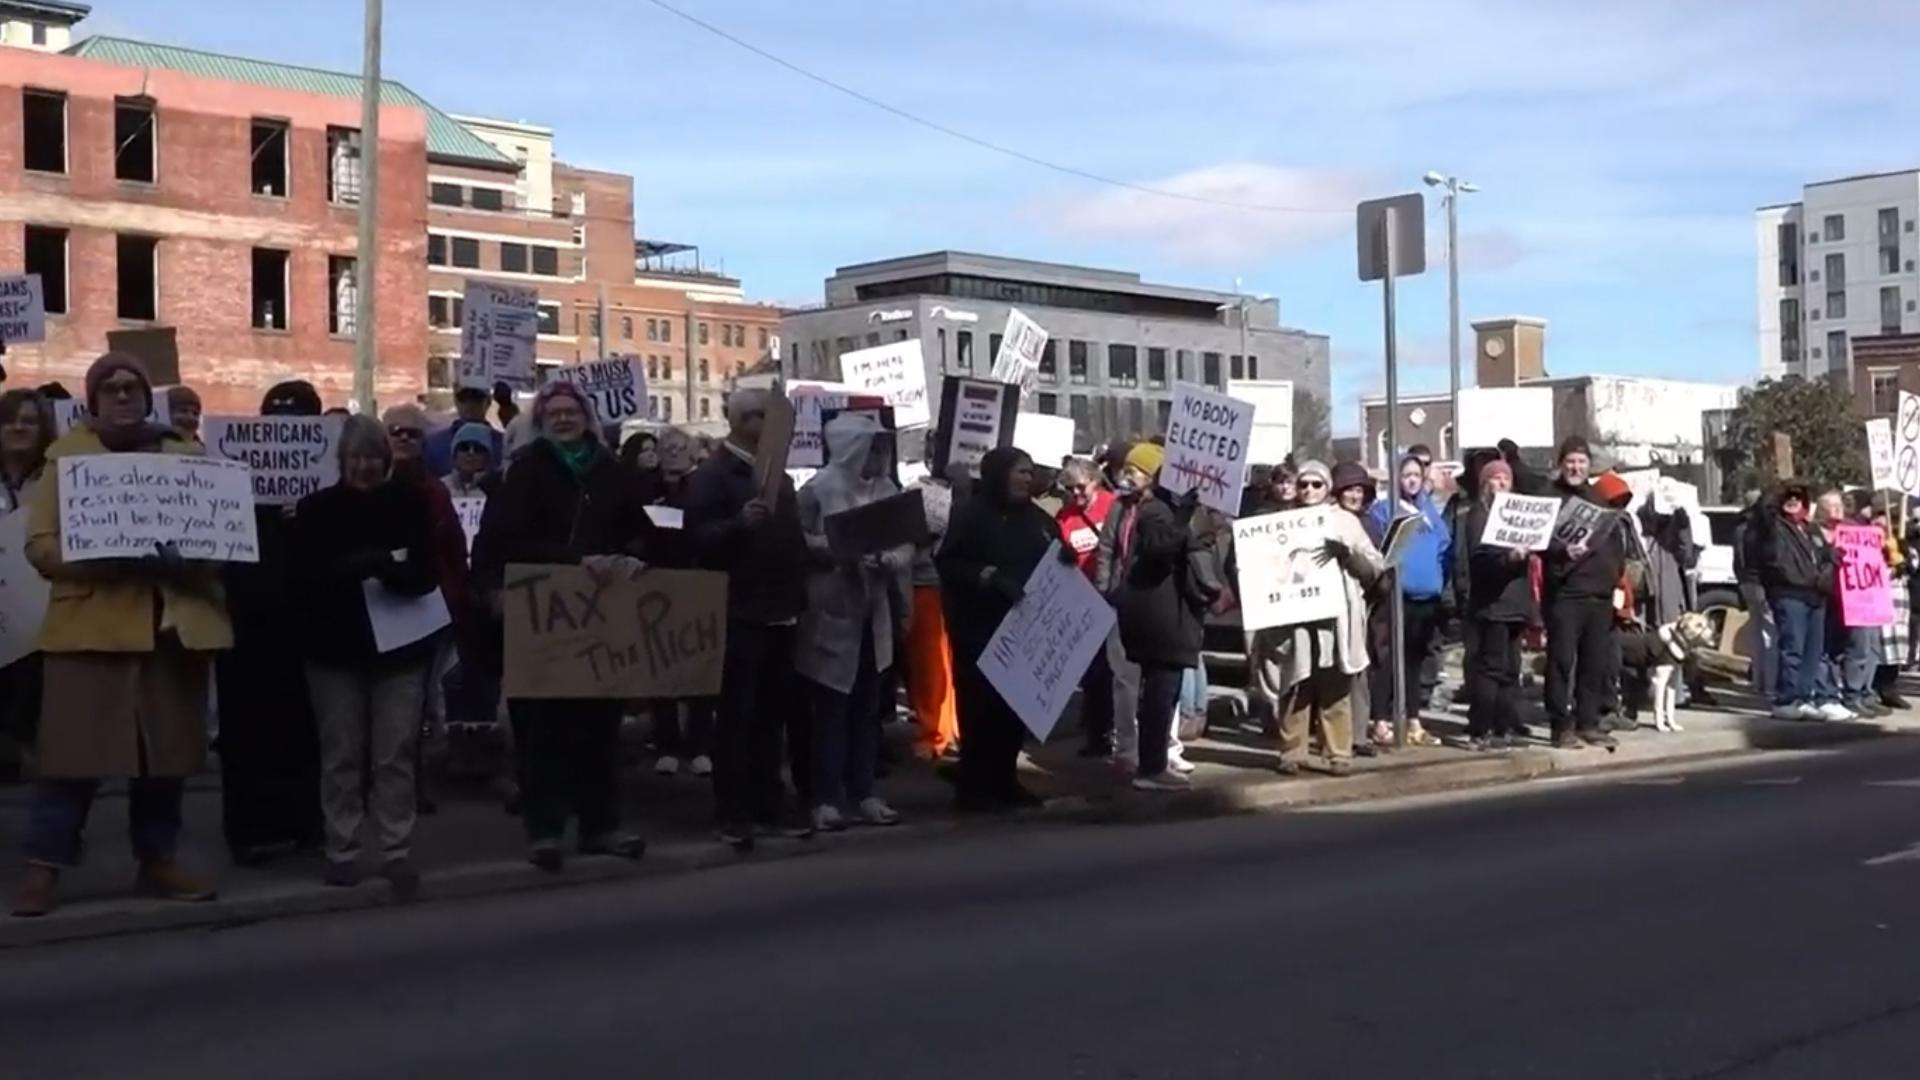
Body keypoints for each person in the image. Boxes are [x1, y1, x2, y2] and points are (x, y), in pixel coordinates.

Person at [13, 353, 224, 918]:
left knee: (165, 763)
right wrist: (100, 559)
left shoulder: (187, 460)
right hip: (90, 632)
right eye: (112, 388)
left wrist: (191, 563)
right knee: (70, 761)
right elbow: (41, 547)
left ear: (147, 396)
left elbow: (220, 542)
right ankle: (43, 867)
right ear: (94, 399)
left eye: (133, 386)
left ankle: (157, 861)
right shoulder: (66, 462)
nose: (124, 395)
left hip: (166, 631)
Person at [485, 382, 655, 869]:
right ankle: (546, 830)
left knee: (600, 727)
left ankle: (602, 826)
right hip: (545, 613)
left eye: (571, 412)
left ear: (586, 418)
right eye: (554, 413)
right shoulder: (526, 470)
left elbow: (637, 527)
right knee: (543, 729)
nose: (563, 420)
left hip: (600, 614)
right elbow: (508, 539)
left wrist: (632, 557)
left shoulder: (609, 470)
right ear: (542, 421)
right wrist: (579, 560)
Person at [290, 416, 441, 896]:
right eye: (355, 457)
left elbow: (426, 574)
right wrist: (351, 570)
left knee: (395, 752)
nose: (364, 466)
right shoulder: (316, 510)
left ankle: (396, 848)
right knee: (342, 754)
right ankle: (343, 846)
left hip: (399, 649)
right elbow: (300, 583)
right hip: (334, 651)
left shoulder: (410, 504)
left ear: (386, 460)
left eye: (373, 457)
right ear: (342, 461)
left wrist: (389, 571)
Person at [684, 388, 811, 848]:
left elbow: (793, 541)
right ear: (742, 421)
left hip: (780, 610)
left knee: (770, 717)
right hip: (738, 611)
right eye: (764, 417)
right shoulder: (714, 475)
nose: (773, 427)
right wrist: (738, 525)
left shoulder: (780, 478)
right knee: (737, 717)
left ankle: (768, 804)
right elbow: (696, 539)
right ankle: (732, 811)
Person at [216, 380, 326, 865]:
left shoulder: (327, 491)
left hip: (310, 624)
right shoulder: (232, 486)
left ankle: (306, 824)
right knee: (246, 732)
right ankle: (250, 830)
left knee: (306, 730)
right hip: (246, 626)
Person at [794, 414, 911, 830]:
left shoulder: (887, 490)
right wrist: (837, 549)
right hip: (831, 609)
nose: (879, 455)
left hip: (872, 613)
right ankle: (825, 798)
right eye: (872, 446)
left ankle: (864, 792)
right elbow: (799, 541)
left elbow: (905, 543)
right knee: (829, 711)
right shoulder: (817, 491)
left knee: (867, 710)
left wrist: (889, 560)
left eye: (883, 446)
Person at [938, 446, 1057, 810]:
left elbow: (1055, 552)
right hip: (980, 631)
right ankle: (974, 787)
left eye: (1029, 471)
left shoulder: (1038, 520)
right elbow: (948, 563)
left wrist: (1063, 557)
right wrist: (985, 576)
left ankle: (1006, 781)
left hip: (1023, 633)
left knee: (1011, 714)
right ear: (997, 476)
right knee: (979, 712)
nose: (1025, 478)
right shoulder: (970, 516)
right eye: (1019, 471)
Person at [1250, 460, 1384, 776]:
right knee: (1295, 685)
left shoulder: (1345, 522)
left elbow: (1374, 567)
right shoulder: (1281, 522)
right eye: (1304, 484)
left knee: (1335, 686)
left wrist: (1346, 555)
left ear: (1328, 488)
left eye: (1317, 484)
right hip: (1294, 619)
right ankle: (1292, 751)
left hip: (1334, 620)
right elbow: (1261, 568)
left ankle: (1338, 752)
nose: (1309, 490)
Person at [1107, 443, 1214, 791]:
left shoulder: (1161, 509)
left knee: (1164, 692)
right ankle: (1151, 768)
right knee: (1158, 693)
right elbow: (1159, 548)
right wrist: (1183, 517)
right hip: (1158, 614)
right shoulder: (1155, 511)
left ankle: (1154, 763)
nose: (1127, 476)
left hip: (1166, 611)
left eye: (1137, 470)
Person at [1541, 439, 1630, 749]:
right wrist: (1562, 550)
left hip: (1601, 595)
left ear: (1589, 466)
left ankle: (1588, 722)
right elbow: (1540, 542)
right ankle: (1560, 725)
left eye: (1581, 462)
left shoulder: (1599, 499)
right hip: (1566, 594)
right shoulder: (1550, 498)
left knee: (1596, 662)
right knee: (1562, 661)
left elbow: (1614, 539)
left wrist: (1616, 573)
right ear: (1561, 464)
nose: (1575, 467)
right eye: (1570, 462)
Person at [1365, 453, 1451, 748]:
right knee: (1389, 661)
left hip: (1426, 599)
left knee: (1415, 661)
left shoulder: (1430, 512)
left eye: (1416, 474)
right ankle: (1381, 720)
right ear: (1396, 478)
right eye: (1406, 475)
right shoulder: (1383, 509)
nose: (1412, 480)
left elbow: (1443, 547)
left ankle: (1413, 720)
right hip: (1395, 597)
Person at [645, 427, 715, 777]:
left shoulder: (701, 488)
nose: (672, 452)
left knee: (699, 665)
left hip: (696, 580)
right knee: (662, 668)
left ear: (692, 454)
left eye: (679, 447)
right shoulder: (648, 487)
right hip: (657, 583)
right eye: (666, 447)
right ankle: (667, 743)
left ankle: (700, 744)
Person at [1455, 458, 1536, 749]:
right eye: (1495, 479)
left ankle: (1505, 725)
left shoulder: (1518, 513)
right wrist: (1508, 559)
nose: (1501, 483)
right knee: (1490, 668)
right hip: (1491, 604)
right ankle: (1482, 727)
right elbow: (1480, 559)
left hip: (1516, 603)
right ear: (1484, 483)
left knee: (1512, 670)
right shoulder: (1479, 515)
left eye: (1506, 479)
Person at [0, 388, 53, 780]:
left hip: (42, 617)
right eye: (10, 419)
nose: (18, 427)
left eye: (29, 421)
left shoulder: (56, 478)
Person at [1757, 481, 1841, 721]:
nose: (1794, 502)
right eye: (1789, 499)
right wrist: (1784, 487)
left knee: (1812, 651)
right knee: (1792, 649)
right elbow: (1766, 507)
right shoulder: (1775, 526)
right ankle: (1786, 700)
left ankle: (1803, 698)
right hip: (1790, 594)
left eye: (1799, 498)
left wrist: (1831, 563)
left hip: (1815, 596)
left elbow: (1824, 557)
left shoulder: (1810, 529)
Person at [1056, 458, 1118, 757]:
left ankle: (1117, 730)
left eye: (1082, 486)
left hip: (1113, 597)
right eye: (1070, 488)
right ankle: (1098, 735)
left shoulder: (1113, 505)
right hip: (1082, 602)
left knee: (1116, 670)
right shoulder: (1065, 515)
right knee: (1093, 675)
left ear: (1095, 481)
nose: (1076, 494)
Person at [904, 460, 961, 763]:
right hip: (925, 584)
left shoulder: (972, 491)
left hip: (956, 586)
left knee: (950, 662)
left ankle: (948, 730)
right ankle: (934, 731)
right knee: (929, 664)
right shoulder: (916, 490)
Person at [1818, 492, 1876, 719]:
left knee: (1858, 648)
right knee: (1831, 650)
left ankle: (1854, 694)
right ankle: (1831, 694)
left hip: (1856, 598)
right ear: (1821, 510)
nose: (1837, 509)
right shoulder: (1815, 534)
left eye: (1839, 505)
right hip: (1830, 597)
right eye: (1831, 506)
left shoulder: (1853, 530)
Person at [424, 385, 504, 477]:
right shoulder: (433, 443)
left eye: (477, 399)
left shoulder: (503, 443)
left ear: (488, 402)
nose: (470, 405)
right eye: (463, 399)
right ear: (456, 401)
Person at [441, 422, 497, 500]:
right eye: (464, 447)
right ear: (455, 454)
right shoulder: (440, 487)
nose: (471, 453)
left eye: (478, 449)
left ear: (487, 457)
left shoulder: (497, 490)